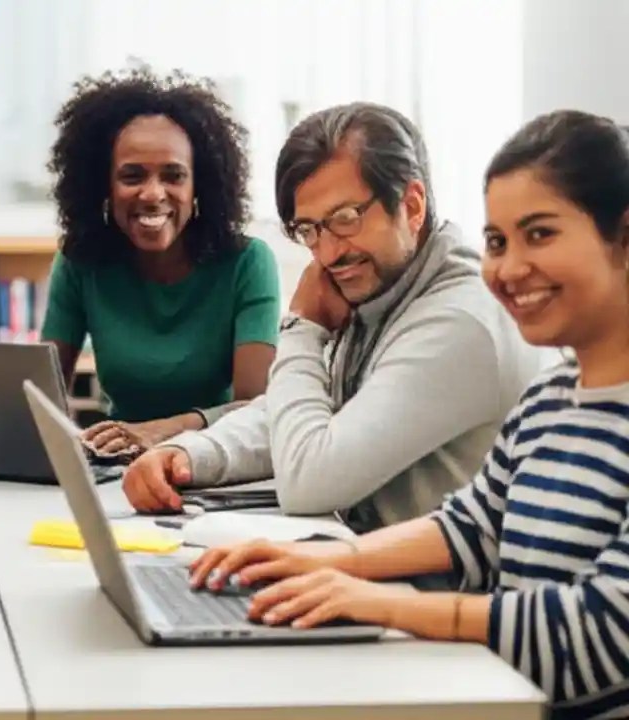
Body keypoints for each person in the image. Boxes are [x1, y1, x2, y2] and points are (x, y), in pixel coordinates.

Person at [190, 109, 629, 720]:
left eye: (540, 234)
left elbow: (600, 634)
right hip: (507, 700)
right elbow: (469, 530)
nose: (504, 268)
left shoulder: (468, 323)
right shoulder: (551, 400)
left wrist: (375, 600)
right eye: (498, 241)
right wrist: (320, 561)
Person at [123, 102, 553, 532]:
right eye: (308, 229)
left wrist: (301, 329)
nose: (328, 253)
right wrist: (190, 455)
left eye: (345, 219)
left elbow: (309, 480)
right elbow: (297, 413)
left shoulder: (461, 321)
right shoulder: (382, 288)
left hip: (427, 592)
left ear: (412, 205)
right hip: (363, 570)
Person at [42, 68, 280, 457]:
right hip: (118, 466)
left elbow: (256, 409)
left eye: (173, 176)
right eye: (132, 176)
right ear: (103, 187)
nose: (152, 194)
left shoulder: (247, 264)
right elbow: (44, 398)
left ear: (198, 186)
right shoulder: (79, 263)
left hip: (215, 465)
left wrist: (164, 431)